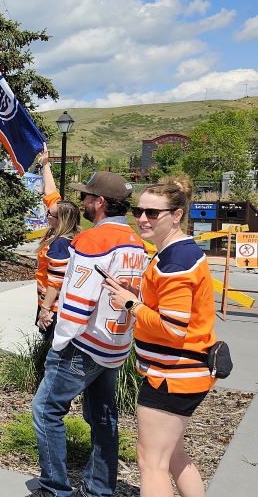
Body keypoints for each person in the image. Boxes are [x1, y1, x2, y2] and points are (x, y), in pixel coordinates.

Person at [30, 171, 146, 497]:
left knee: (46, 410)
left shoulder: (93, 240)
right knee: (103, 417)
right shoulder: (137, 242)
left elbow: (78, 303)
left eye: (86, 197)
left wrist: (59, 342)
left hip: (83, 345)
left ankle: (55, 489)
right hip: (114, 346)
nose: (82, 202)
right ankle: (98, 489)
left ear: (99, 202)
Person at [101, 176, 215, 497]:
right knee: (174, 456)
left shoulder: (175, 262)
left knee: (152, 463)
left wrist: (129, 303)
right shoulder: (179, 253)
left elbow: (172, 327)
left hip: (171, 375)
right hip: (186, 372)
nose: (142, 219)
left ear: (177, 215)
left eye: (153, 213)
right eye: (139, 210)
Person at [34, 146, 80, 338]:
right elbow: (51, 193)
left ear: (61, 219)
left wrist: (45, 310)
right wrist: (46, 164)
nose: (47, 215)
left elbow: (55, 282)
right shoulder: (58, 231)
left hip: (52, 307)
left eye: (50, 214)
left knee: (52, 348)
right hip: (47, 302)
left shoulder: (61, 243)